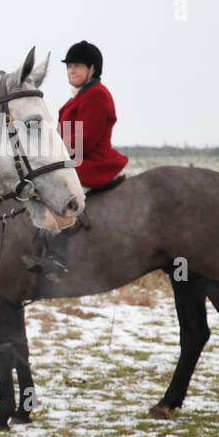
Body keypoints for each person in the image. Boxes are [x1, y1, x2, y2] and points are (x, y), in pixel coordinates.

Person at [23, 40, 129, 278]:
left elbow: (87, 138)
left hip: (92, 162)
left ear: (92, 69)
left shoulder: (98, 95)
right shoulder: (78, 97)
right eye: (69, 66)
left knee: (57, 195)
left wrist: (54, 149)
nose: (71, 70)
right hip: (75, 160)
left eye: (78, 66)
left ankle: (55, 259)